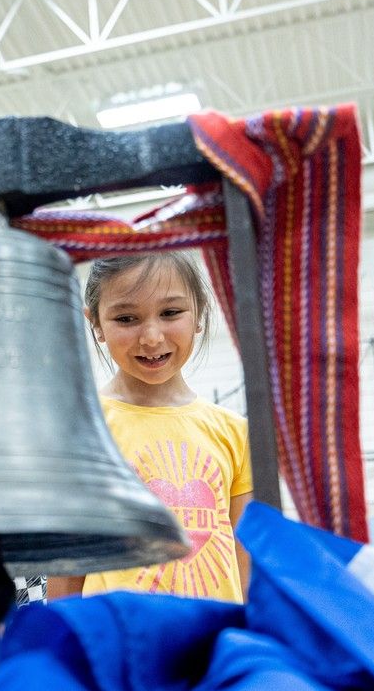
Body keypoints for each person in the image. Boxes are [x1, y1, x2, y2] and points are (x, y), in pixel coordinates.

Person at [48, 252, 253, 604]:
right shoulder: (81, 428)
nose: (152, 337)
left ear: (200, 313)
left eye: (170, 313)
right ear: (96, 323)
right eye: (126, 318)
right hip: (118, 635)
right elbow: (67, 568)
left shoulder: (235, 433)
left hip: (214, 634)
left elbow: (245, 563)